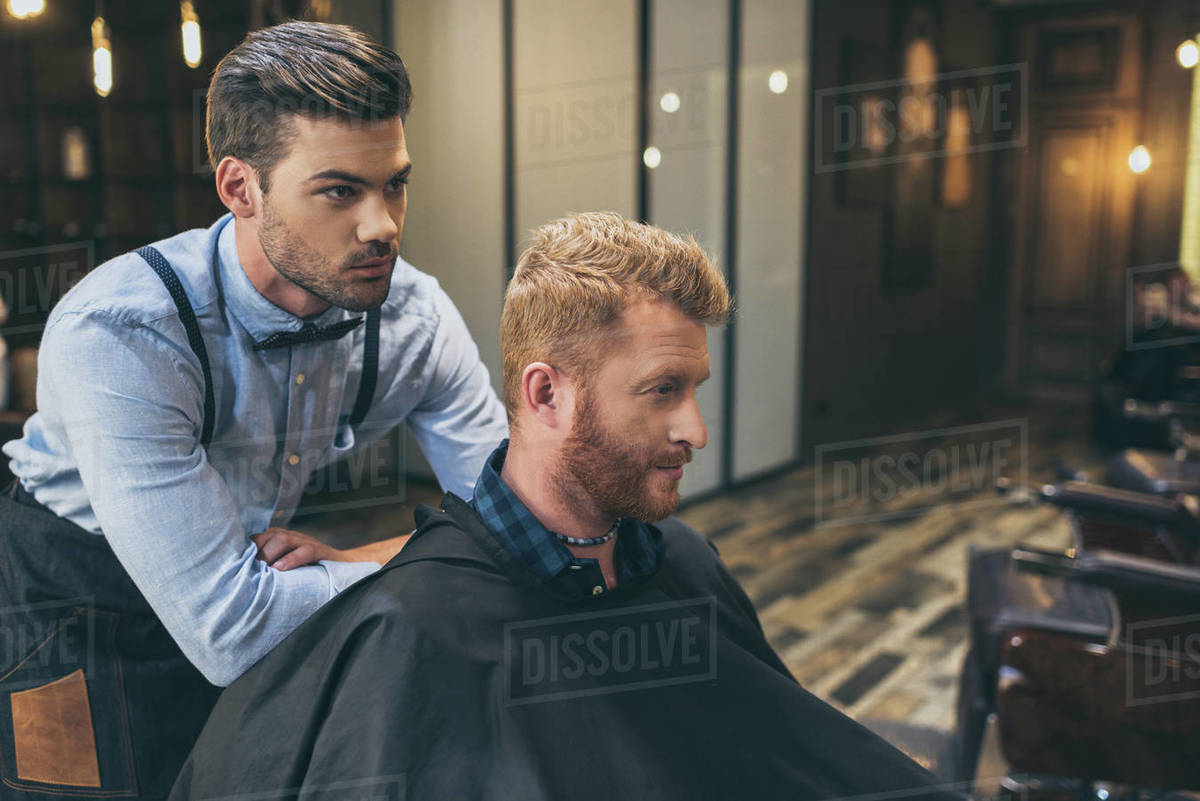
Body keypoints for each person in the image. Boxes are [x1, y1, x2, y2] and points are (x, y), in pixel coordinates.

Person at [170, 213, 962, 801]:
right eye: (662, 391)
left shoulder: (683, 563)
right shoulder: (418, 629)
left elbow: (792, 754)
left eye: (695, 390)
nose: (695, 429)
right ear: (545, 393)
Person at [0, 21, 506, 801]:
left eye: (395, 183)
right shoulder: (125, 333)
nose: (384, 226)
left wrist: (353, 558)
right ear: (240, 187)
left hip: (240, 586)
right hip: (69, 617)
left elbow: (517, 517)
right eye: (340, 190)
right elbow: (234, 629)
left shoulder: (412, 319)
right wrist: (409, 556)